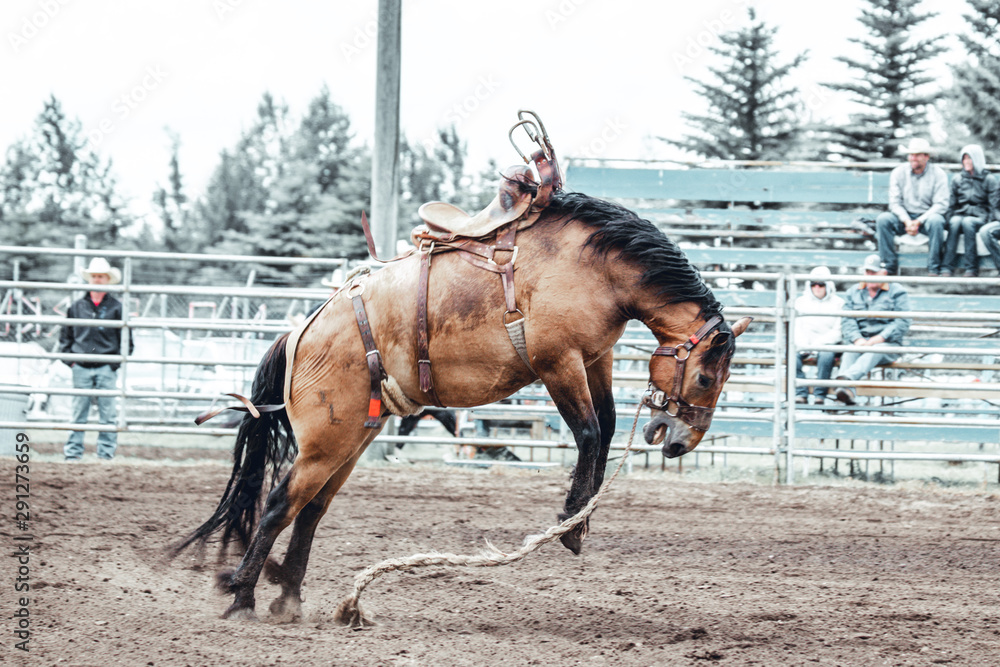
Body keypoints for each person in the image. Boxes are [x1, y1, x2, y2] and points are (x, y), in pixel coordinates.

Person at [59, 257, 133, 460]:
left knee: (107, 414)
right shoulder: (76, 307)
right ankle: (73, 454)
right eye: (95, 276)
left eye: (101, 276)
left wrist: (113, 363)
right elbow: (66, 336)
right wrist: (71, 361)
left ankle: (105, 455)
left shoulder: (117, 308)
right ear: (89, 278)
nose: (98, 280)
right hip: (81, 366)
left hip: (105, 366)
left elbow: (126, 340)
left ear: (107, 280)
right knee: (78, 411)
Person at [834, 254, 912, 405]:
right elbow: (847, 319)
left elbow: (902, 321)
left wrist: (878, 339)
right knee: (849, 352)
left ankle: (845, 381)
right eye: (867, 272)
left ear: (883, 273)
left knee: (876, 349)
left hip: (888, 344)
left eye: (873, 273)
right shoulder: (853, 291)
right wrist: (857, 339)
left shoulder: (897, 291)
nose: (869, 276)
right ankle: (845, 394)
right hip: (860, 342)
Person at [875, 137, 949, 275]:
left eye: (917, 155)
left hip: (927, 219)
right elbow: (895, 202)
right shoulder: (898, 172)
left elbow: (941, 204)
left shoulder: (938, 174)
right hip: (904, 219)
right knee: (883, 219)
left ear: (926, 157)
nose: (913, 158)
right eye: (911, 154)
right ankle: (888, 267)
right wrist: (907, 221)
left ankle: (934, 268)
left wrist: (919, 221)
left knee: (937, 221)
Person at [942, 144, 998, 277]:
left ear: (977, 159)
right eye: (964, 159)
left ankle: (971, 268)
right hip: (961, 213)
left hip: (981, 216)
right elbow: (952, 203)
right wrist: (947, 219)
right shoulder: (958, 179)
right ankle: (946, 267)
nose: (966, 162)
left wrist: (989, 220)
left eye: (970, 158)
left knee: (968, 222)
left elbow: (993, 204)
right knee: (954, 222)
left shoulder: (988, 179)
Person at [793, 266, 844, 405]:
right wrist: (804, 345)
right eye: (813, 284)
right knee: (791, 356)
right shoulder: (800, 302)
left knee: (826, 356)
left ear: (828, 285)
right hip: (804, 343)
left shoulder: (839, 303)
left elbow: (838, 331)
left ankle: (819, 395)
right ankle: (800, 393)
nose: (817, 287)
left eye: (821, 284)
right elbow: (797, 327)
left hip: (827, 344)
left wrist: (818, 345)